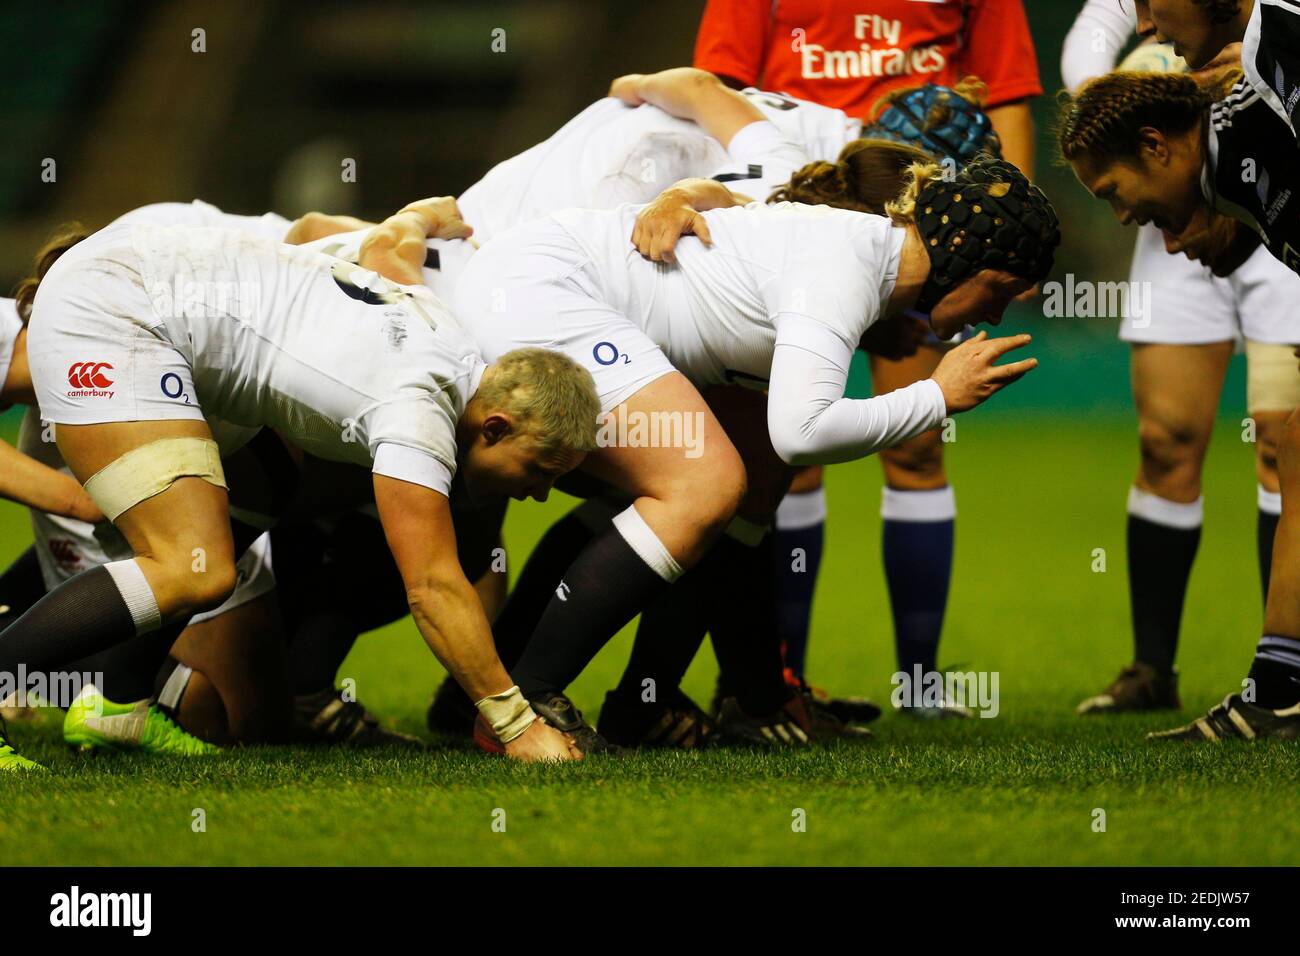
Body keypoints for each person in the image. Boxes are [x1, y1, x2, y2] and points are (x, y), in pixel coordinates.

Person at [427, 155, 1058, 752]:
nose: (995, 316)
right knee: (705, 484)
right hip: (542, 291)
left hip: (539, 281)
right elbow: (803, 432)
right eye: (1000, 293)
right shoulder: (847, 272)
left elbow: (756, 500)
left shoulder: (856, 256)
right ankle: (522, 704)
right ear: (971, 265)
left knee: (745, 494)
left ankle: (639, 706)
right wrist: (936, 397)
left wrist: (759, 693)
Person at [0, 197, 599, 770]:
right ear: (494, 425)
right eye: (539, 471)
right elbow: (434, 587)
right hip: (115, 312)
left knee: (267, 479)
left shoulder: (444, 332)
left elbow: (391, 246)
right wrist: (517, 724)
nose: (540, 493)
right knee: (192, 569)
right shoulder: (416, 411)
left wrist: (420, 216)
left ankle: (116, 703)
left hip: (140, 284)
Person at [693, 0, 1043, 715]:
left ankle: (920, 682)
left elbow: (1005, 96)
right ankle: (780, 682)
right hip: (811, 200)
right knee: (789, 458)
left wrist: (1013, 229)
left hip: (938, 215)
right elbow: (714, 85)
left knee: (916, 446)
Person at [1060, 24, 1300, 740]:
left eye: (1114, 192)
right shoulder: (1246, 166)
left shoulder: (1265, 156)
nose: (1153, 22)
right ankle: (1278, 686)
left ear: (1159, 145)